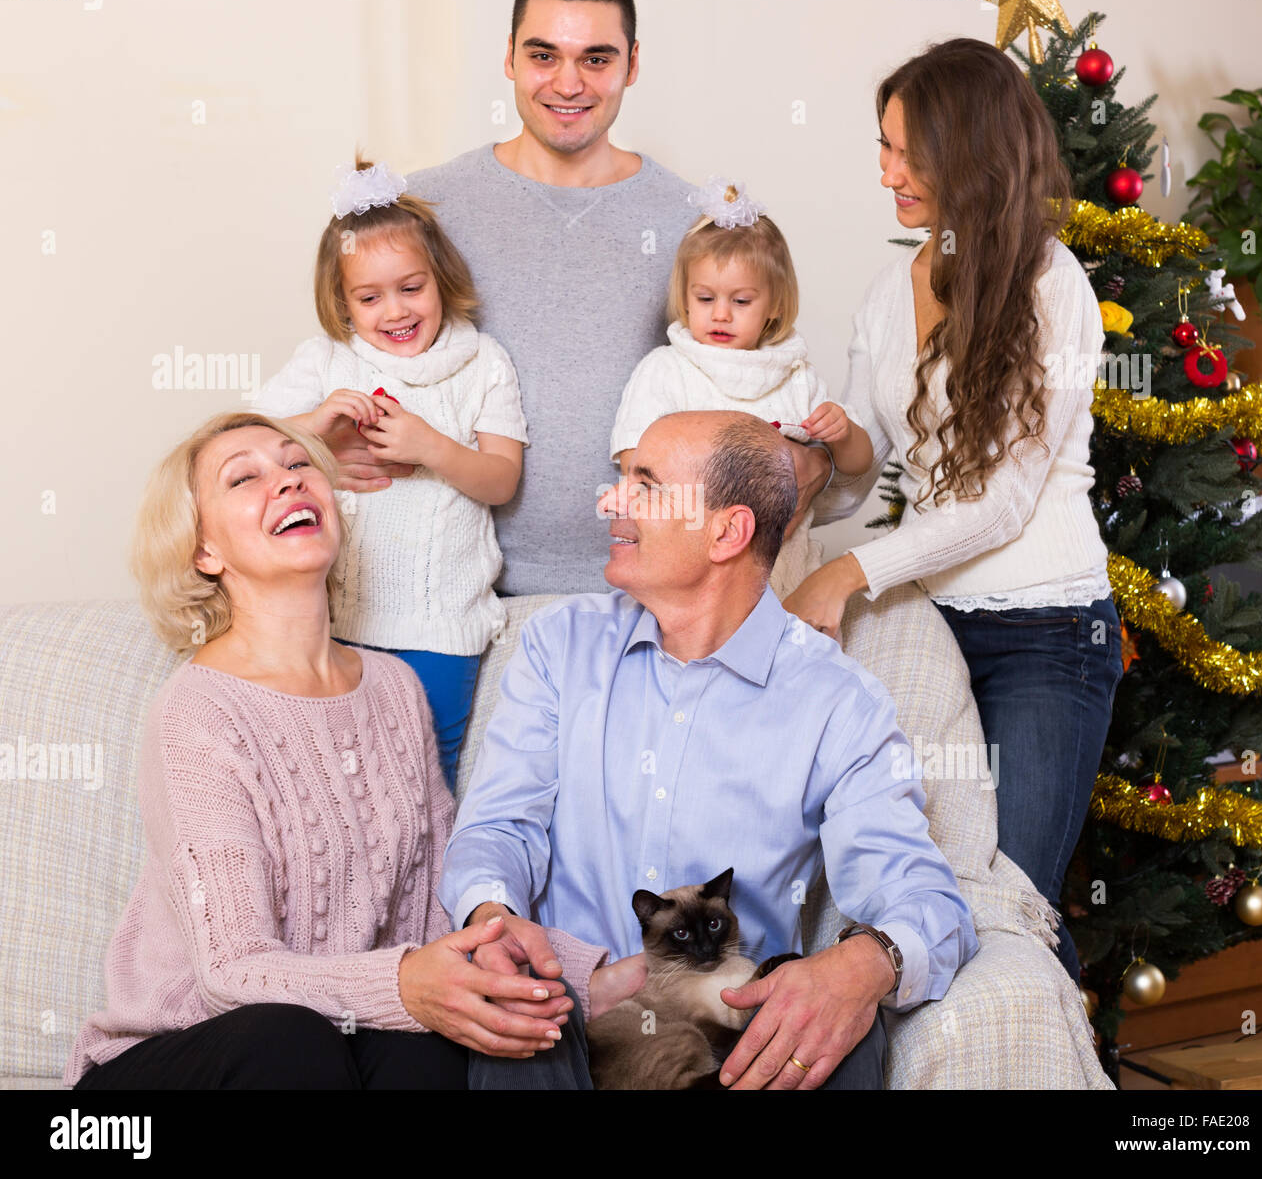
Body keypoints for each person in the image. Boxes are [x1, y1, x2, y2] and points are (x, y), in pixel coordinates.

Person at [65, 411, 638, 1090]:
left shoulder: (394, 687)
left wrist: (588, 976)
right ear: (204, 553)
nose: (286, 482)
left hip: (328, 1043)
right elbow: (231, 972)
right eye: (245, 478)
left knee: (438, 1049)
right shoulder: (197, 711)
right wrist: (404, 983)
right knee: (290, 1037)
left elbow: (436, 906)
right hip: (175, 1060)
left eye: (299, 464)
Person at [438, 410, 978, 1090]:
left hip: (726, 1043)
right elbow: (497, 830)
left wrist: (865, 967)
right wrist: (494, 922)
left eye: (646, 484)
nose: (612, 500)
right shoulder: (558, 646)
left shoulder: (836, 700)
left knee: (834, 1001)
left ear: (727, 531)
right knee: (514, 1013)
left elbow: (921, 893)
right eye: (620, 478)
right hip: (573, 1021)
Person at [784, 38, 1124, 983]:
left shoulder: (1055, 287)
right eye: (883, 146)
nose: (885, 171)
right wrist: (826, 446)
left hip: (1048, 635)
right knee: (916, 896)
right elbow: (863, 472)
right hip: (931, 629)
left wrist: (848, 572)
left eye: (906, 151)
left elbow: (1002, 502)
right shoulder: (888, 295)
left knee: (1007, 904)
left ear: (969, 153)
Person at [384, 0, 834, 595]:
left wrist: (812, 462)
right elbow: (359, 363)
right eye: (544, 56)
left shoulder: (698, 223)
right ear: (509, 57)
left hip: (657, 588)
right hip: (460, 591)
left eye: (596, 59)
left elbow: (767, 379)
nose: (569, 84)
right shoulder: (426, 210)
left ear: (633, 63)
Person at [252, 156, 526, 789]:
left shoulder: (481, 362)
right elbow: (239, 443)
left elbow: (500, 479)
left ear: (441, 278)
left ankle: (430, 891)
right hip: (341, 624)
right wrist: (314, 425)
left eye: (411, 287)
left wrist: (432, 446)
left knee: (426, 779)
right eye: (369, 297)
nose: (395, 311)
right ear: (343, 303)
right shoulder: (326, 361)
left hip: (441, 626)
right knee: (341, 785)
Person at [610, 176, 873, 599]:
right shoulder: (666, 370)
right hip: (689, 577)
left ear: (775, 306)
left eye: (741, 301)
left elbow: (858, 463)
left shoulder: (795, 375)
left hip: (786, 580)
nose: (721, 315)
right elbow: (633, 465)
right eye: (705, 298)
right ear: (685, 295)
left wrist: (842, 433)